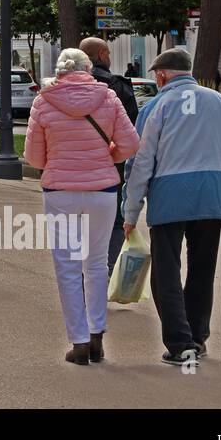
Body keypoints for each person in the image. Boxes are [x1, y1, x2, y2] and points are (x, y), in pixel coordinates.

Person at [123, 48, 221, 367]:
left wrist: (130, 211)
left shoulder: (155, 106)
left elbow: (140, 163)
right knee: (202, 270)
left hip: (169, 197)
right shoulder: (219, 102)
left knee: (166, 273)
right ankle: (198, 336)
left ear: (161, 75)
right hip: (212, 197)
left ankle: (181, 344)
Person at [25, 48, 141, 366]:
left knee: (67, 267)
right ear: (89, 69)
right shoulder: (109, 98)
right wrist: (109, 157)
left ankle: (78, 342)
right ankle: (96, 337)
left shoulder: (43, 101)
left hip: (59, 191)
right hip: (102, 190)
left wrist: (57, 162)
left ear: (59, 71)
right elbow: (131, 144)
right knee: (96, 264)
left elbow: (34, 158)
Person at [79, 36, 140, 276]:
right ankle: (106, 267)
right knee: (113, 220)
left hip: (71, 171)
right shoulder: (118, 87)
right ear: (103, 54)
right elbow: (131, 131)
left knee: (78, 222)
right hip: (109, 169)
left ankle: (81, 273)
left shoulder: (62, 88)